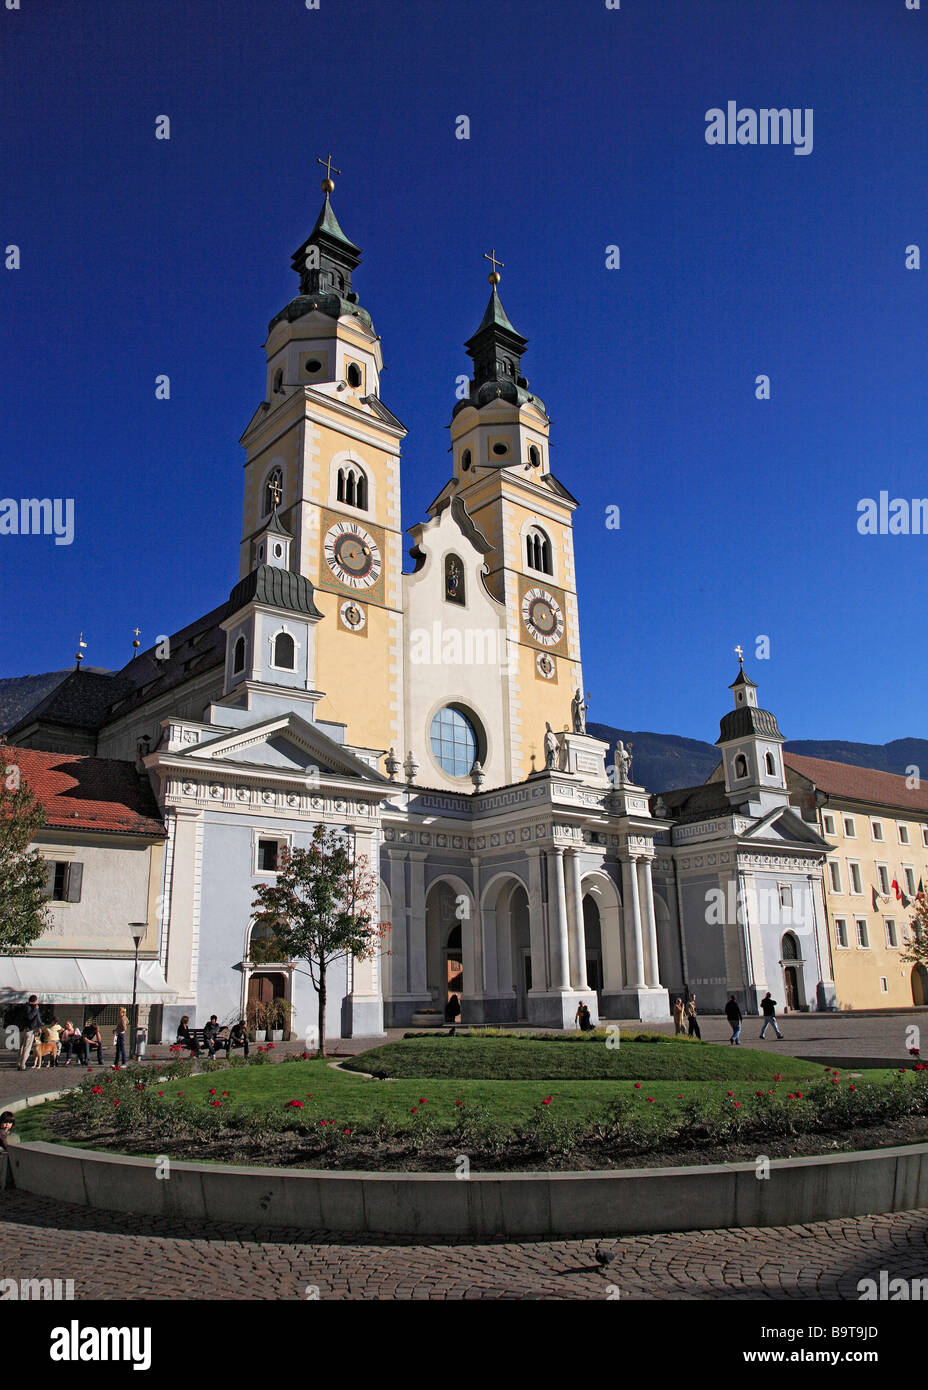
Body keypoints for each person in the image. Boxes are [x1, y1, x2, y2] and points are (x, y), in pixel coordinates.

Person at [18, 995, 42, 1071]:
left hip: (22, 1029)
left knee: (21, 1048)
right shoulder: (33, 1008)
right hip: (29, 1030)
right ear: (35, 1000)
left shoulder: (24, 1006)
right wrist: (35, 1010)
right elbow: (30, 1017)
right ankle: (22, 1065)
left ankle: (19, 1063)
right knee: (26, 1048)